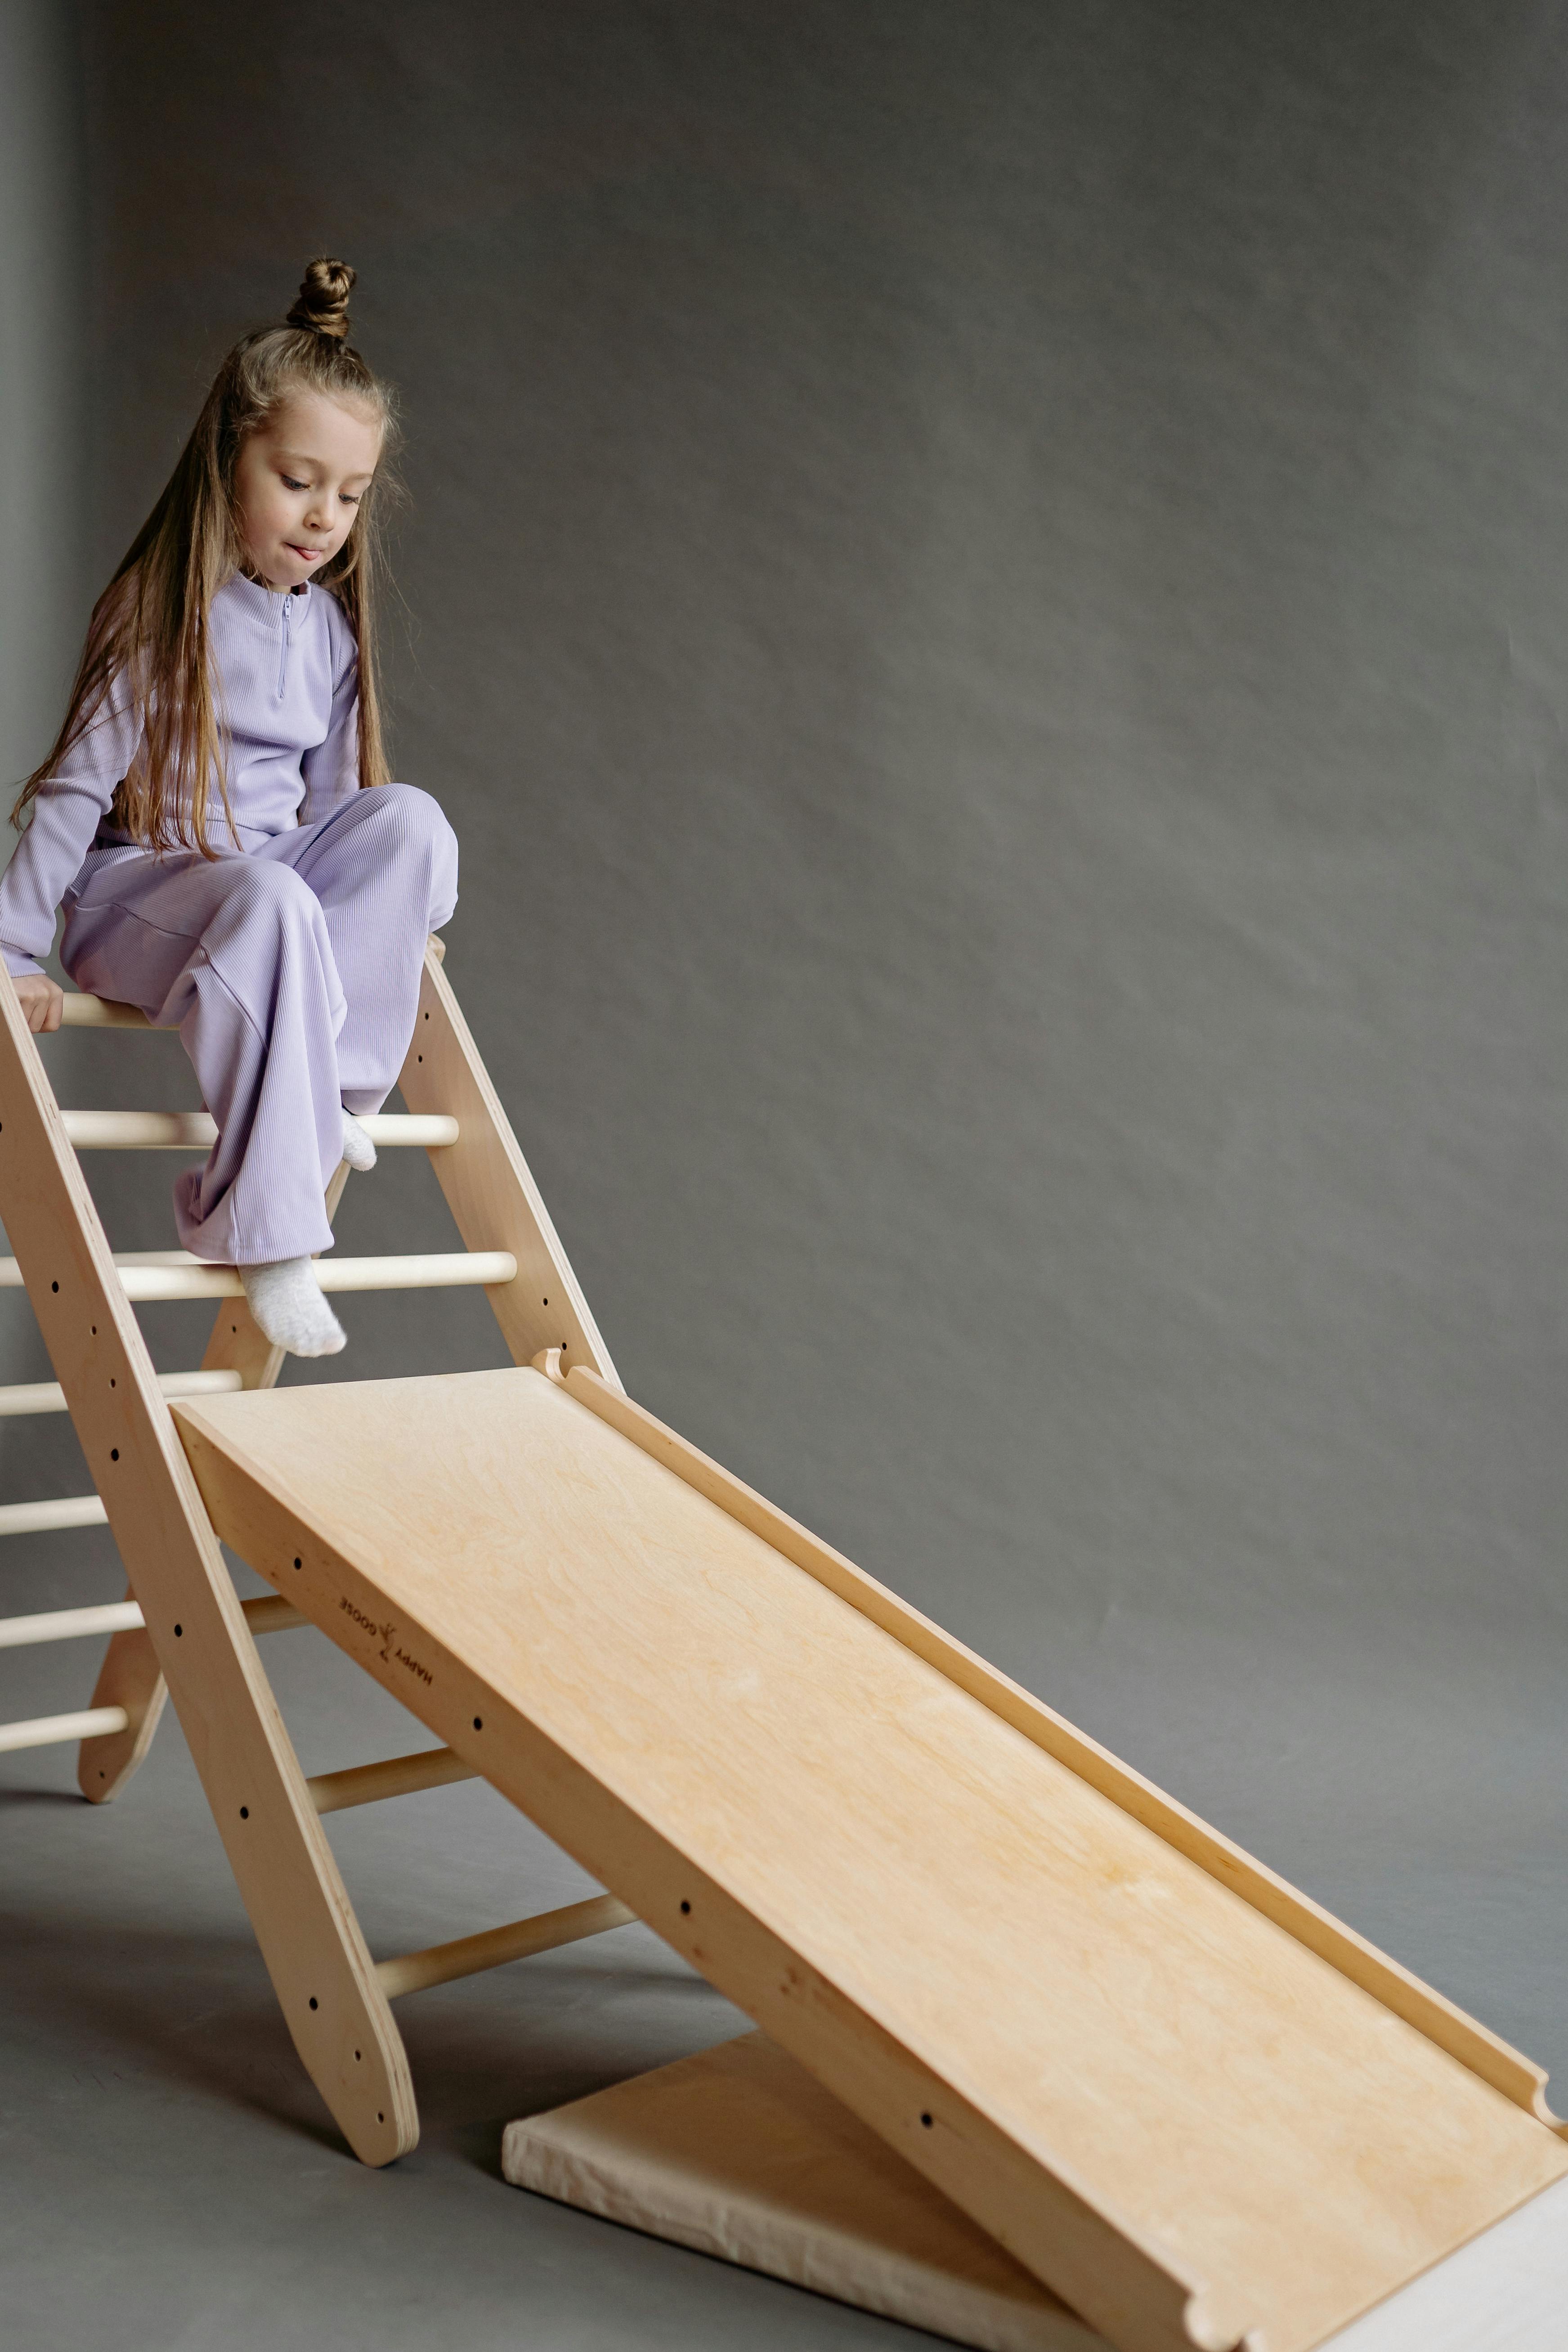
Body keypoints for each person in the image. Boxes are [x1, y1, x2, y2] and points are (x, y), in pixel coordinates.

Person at [0, 258, 457, 1359]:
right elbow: (74, 787)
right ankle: (265, 1234)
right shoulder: (162, 610)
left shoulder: (330, 630)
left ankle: (333, 1092)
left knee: (411, 820)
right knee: (269, 894)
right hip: (137, 895)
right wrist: (10, 947)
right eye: (299, 480)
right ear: (229, 456)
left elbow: (338, 815)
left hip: (264, 891)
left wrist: (381, 906)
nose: (325, 517)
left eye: (350, 495)